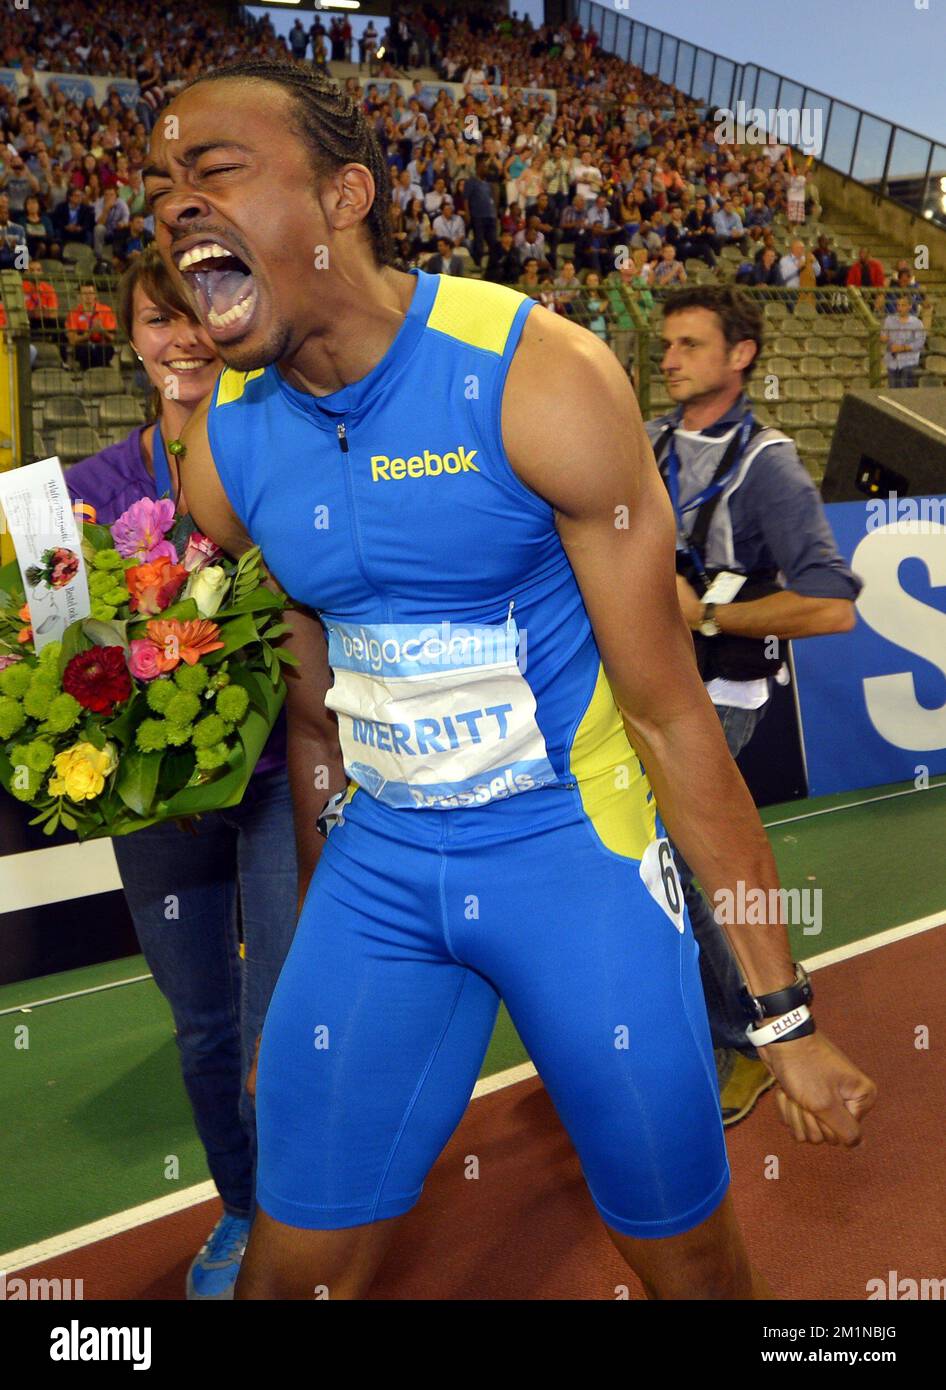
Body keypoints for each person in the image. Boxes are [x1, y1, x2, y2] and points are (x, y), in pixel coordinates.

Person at [145, 60, 875, 1304]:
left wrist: (781, 1011)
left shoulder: (536, 372)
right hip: (379, 876)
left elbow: (667, 712)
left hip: (570, 861)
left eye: (210, 172)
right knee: (289, 1273)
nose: (171, 210)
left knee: (688, 1264)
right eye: (157, 190)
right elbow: (316, 713)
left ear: (345, 198)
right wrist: (323, 935)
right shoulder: (227, 443)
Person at [64, 249, 297, 1300]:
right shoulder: (84, 491)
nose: (181, 340)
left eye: (198, 316)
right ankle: (241, 1206)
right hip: (157, 793)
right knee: (203, 1019)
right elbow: (58, 655)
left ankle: (308, 1208)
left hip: (283, 771)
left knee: (284, 1004)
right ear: (133, 340)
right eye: (158, 322)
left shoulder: (286, 459)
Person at [647, 286, 863, 1122]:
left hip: (722, 693)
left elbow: (833, 607)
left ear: (739, 356)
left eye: (690, 344)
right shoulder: (652, 440)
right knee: (660, 864)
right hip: (650, 688)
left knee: (682, 862)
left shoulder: (769, 466)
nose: (668, 358)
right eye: (666, 343)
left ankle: (752, 1037)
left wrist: (704, 612)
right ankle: (726, 1025)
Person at [880, 294, 926, 388]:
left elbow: (920, 343)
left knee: (905, 389)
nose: (900, 308)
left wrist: (902, 348)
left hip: (909, 361)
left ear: (910, 306)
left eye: (903, 305)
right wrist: (883, 338)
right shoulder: (889, 320)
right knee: (893, 390)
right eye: (898, 305)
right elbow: (883, 335)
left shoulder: (917, 323)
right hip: (892, 361)